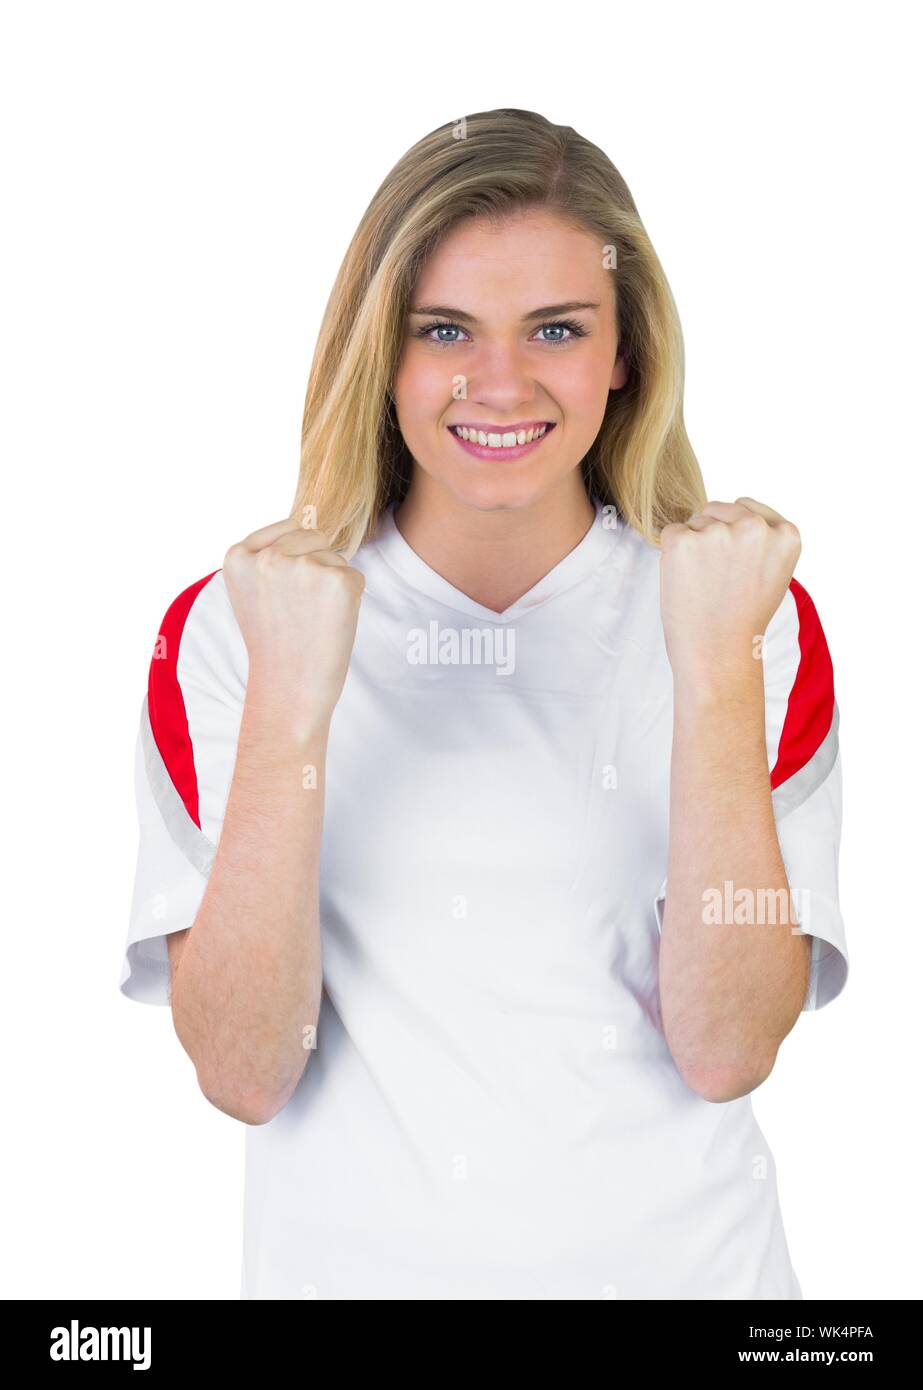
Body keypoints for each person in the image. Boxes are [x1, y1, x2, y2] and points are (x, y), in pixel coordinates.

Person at [119, 108, 848, 1300]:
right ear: (381, 353)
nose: (497, 381)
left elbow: (726, 1048)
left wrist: (713, 673)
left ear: (625, 351)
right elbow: (245, 1071)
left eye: (555, 327)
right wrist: (292, 707)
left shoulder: (748, 615)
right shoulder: (231, 625)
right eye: (443, 329)